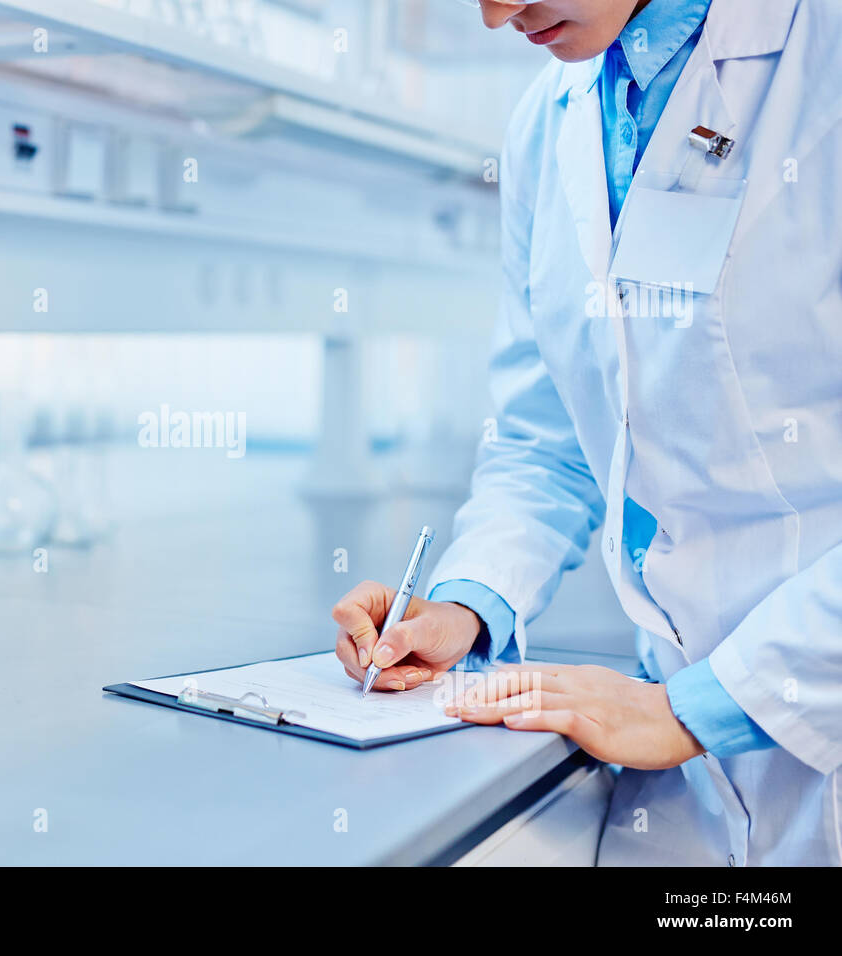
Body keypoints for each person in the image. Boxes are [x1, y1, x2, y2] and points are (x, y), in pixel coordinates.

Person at [333, 0, 842, 865]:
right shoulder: (549, 119)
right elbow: (549, 435)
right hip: (681, 780)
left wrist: (698, 708)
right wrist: (464, 606)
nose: (498, 14)